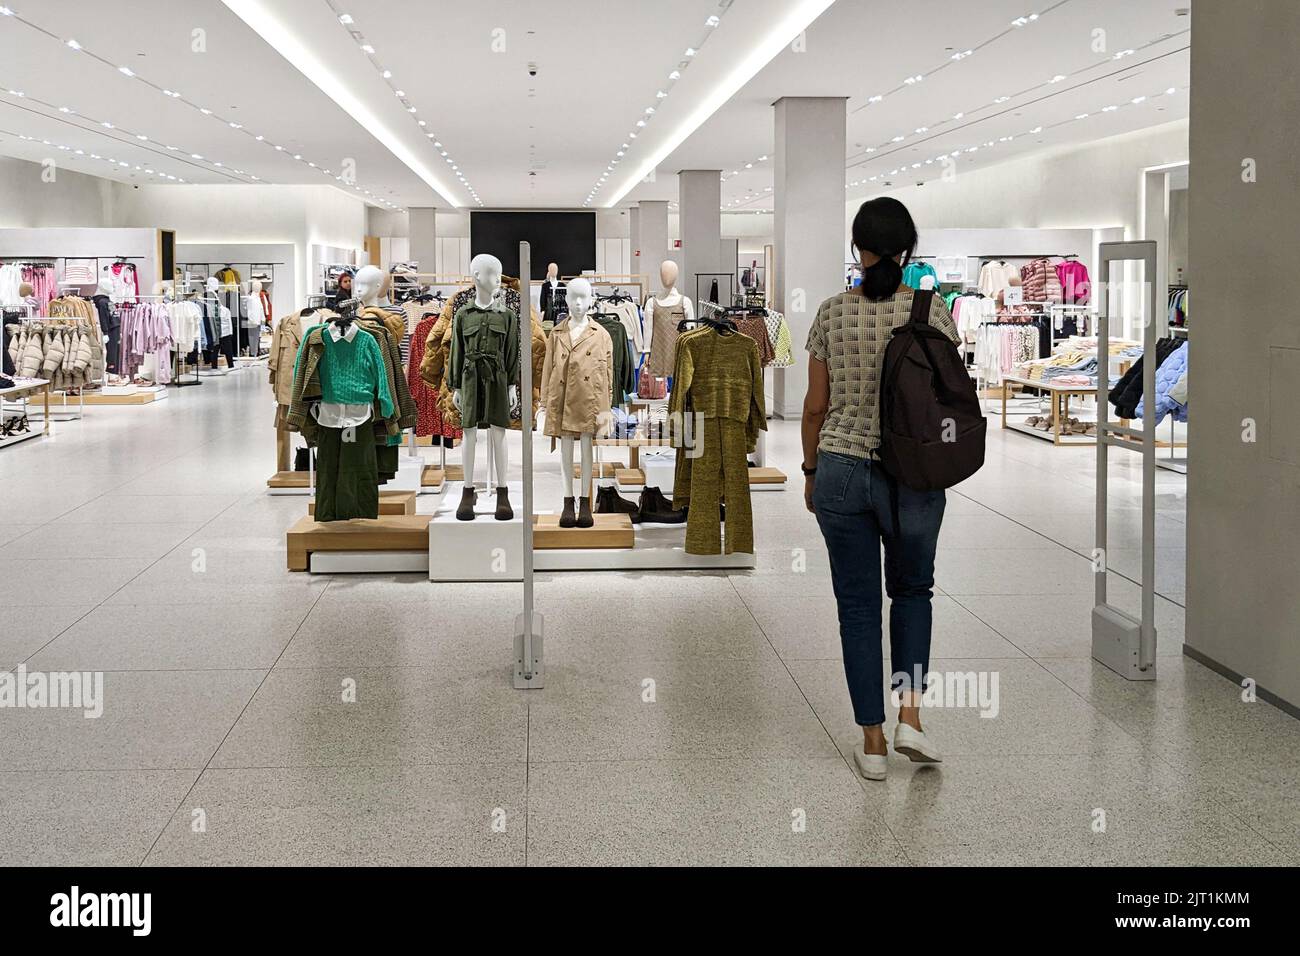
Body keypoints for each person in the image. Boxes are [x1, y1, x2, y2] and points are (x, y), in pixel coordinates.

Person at [801, 197, 960, 782]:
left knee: (859, 607)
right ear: (907, 250)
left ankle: (871, 744)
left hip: (843, 469)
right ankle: (910, 717)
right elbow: (947, 397)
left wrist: (811, 471)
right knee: (914, 593)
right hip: (914, 475)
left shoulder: (830, 314)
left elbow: (814, 407)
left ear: (857, 250)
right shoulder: (934, 313)